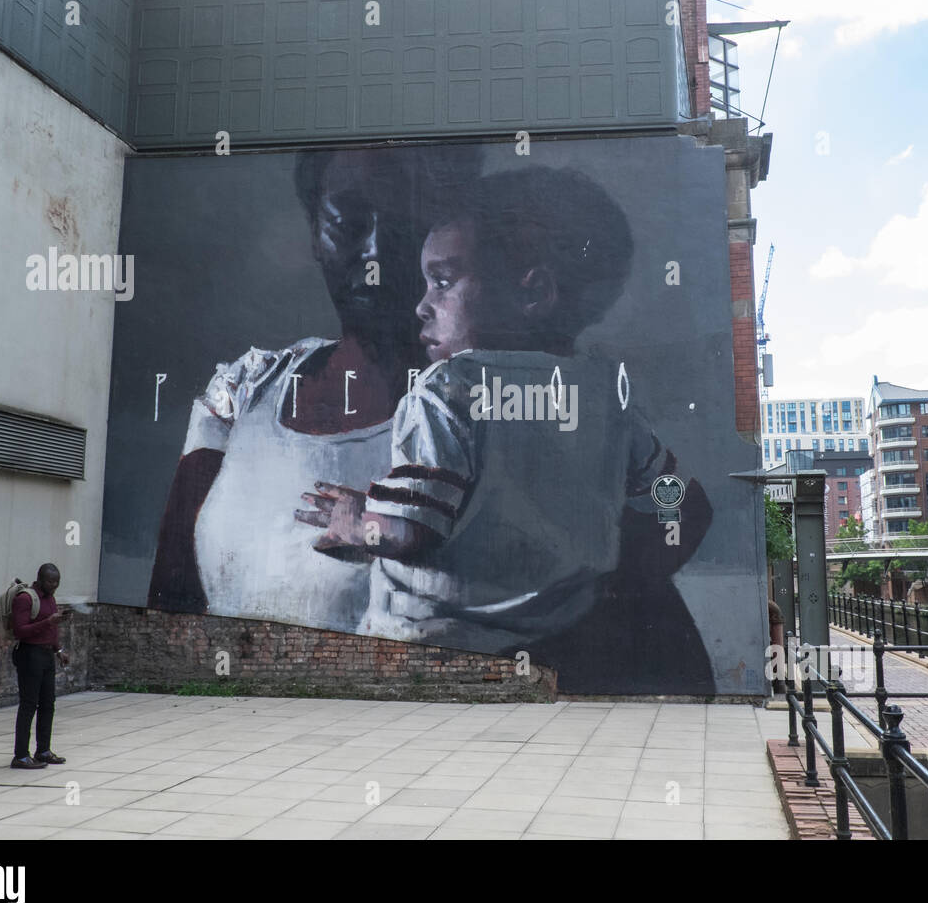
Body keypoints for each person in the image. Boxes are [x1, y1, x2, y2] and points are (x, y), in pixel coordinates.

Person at [301, 167, 714, 664]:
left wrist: (357, 520)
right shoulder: (605, 398)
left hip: (440, 647)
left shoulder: (446, 391)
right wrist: (608, 583)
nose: (421, 306)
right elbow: (684, 502)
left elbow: (410, 531)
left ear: (533, 294)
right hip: (567, 635)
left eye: (442, 282)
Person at [147, 146, 483, 629]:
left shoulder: (471, 415)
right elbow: (168, 599)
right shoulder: (242, 392)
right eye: (347, 223)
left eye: (403, 226)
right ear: (314, 234)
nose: (375, 252)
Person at [10, 563, 69, 769]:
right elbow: (20, 631)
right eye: (51, 582)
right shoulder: (25, 599)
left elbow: (50, 630)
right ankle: (20, 755)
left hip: (46, 656)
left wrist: (58, 650)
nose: (54, 586)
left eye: (57, 583)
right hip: (29, 655)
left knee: (47, 704)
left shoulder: (50, 599)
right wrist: (49, 622)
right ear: (40, 579)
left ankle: (43, 750)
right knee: (28, 705)